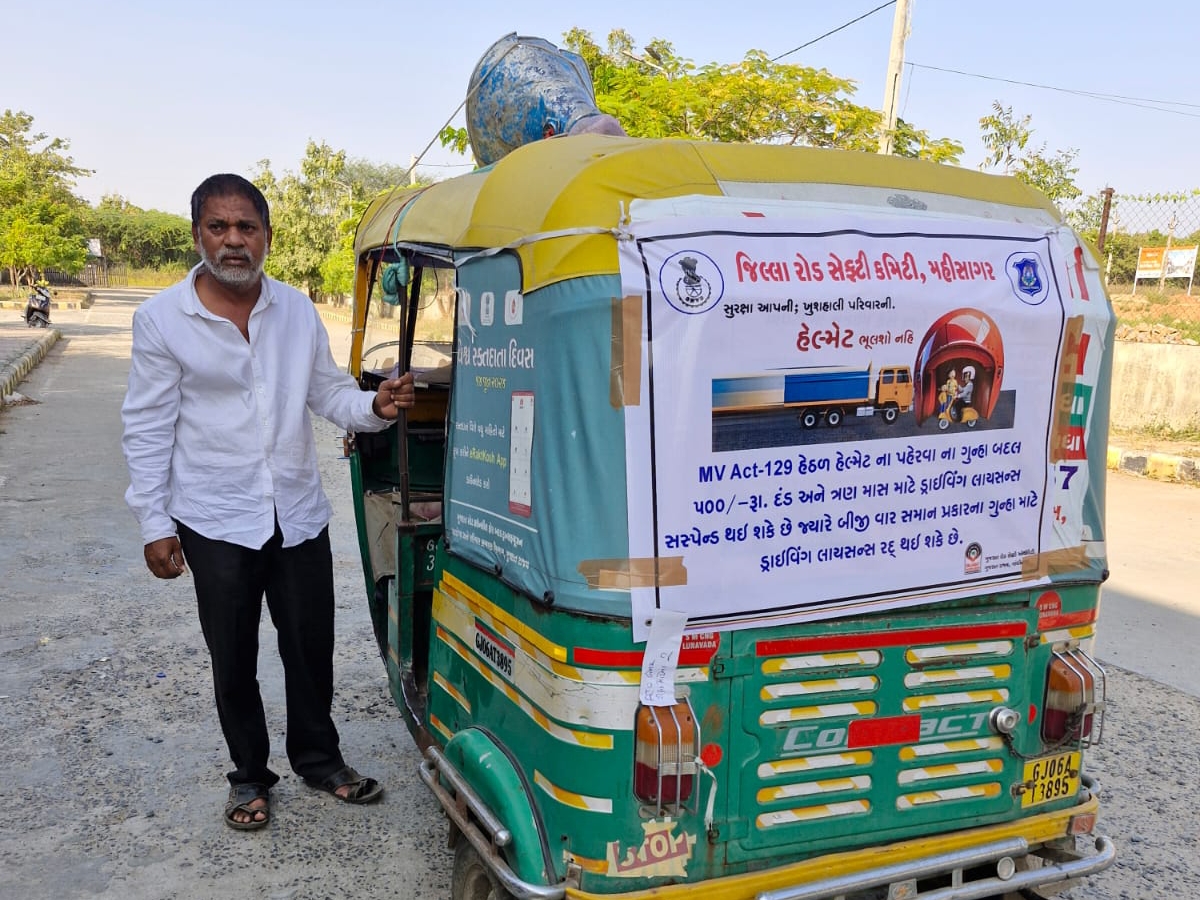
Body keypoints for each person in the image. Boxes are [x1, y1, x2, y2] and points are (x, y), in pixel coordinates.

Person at [121, 173, 415, 831]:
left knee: (310, 647)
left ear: (267, 237)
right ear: (197, 235)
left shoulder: (296, 311)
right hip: (214, 517)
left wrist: (374, 406)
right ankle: (249, 776)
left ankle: (320, 761)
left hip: (297, 513)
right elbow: (147, 426)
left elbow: (327, 393)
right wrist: (154, 522)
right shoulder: (163, 320)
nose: (233, 240)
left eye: (246, 227)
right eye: (218, 227)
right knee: (233, 656)